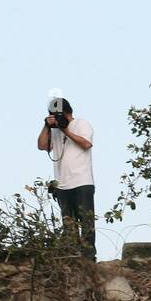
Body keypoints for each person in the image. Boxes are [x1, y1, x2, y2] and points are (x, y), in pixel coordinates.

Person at [36, 96, 96, 260]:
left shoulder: (81, 123)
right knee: (69, 225)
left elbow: (86, 144)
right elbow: (42, 146)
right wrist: (46, 126)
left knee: (86, 222)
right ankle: (72, 256)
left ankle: (89, 259)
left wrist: (65, 130)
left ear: (68, 112)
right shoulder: (53, 131)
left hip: (82, 182)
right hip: (62, 184)